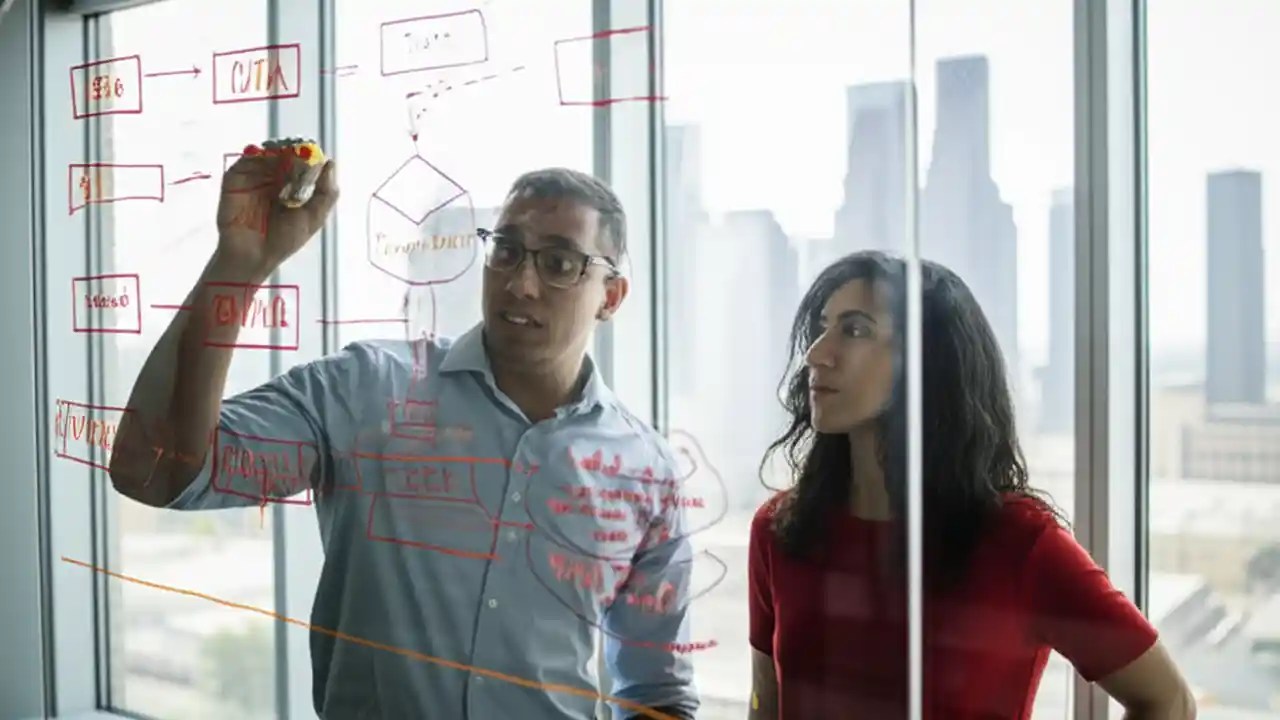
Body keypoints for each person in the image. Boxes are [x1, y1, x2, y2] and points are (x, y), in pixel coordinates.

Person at [107, 147, 700, 720]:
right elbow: (154, 470)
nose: (522, 284)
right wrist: (238, 265)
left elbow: (656, 691)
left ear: (612, 296)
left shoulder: (645, 470)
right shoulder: (368, 390)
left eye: (560, 263)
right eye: (507, 251)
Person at [747, 251, 1196, 719]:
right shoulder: (779, 531)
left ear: (927, 362)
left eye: (855, 330)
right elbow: (765, 704)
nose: (816, 352)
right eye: (822, 327)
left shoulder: (1021, 544)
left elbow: (1168, 700)